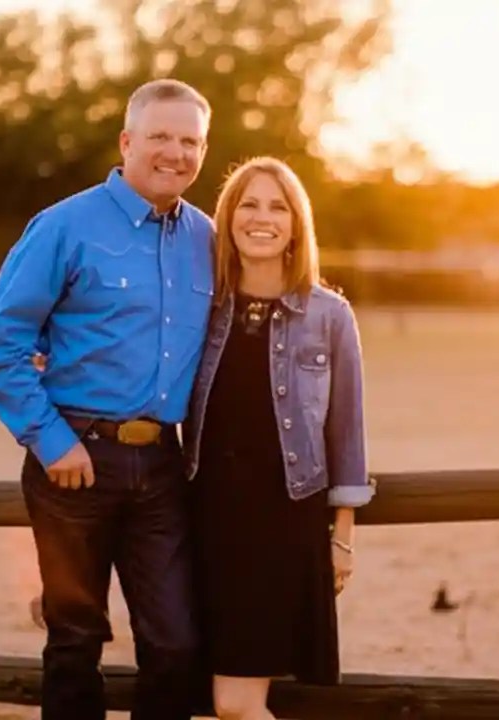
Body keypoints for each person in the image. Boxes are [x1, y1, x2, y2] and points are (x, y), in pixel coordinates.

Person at [0, 78, 215, 720]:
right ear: (127, 142)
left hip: (164, 468)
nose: (176, 152)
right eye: (161, 136)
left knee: (177, 644)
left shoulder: (209, 241)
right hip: (73, 463)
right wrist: (50, 438)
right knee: (75, 642)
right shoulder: (64, 227)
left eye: (191, 140)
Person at [183, 156, 375, 720]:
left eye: (277, 206)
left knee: (234, 704)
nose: (261, 218)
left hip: (283, 523)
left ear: (296, 225)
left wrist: (341, 536)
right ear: (228, 217)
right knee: (214, 699)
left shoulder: (329, 314)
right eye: (248, 204)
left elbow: (348, 428)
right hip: (206, 522)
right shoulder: (202, 306)